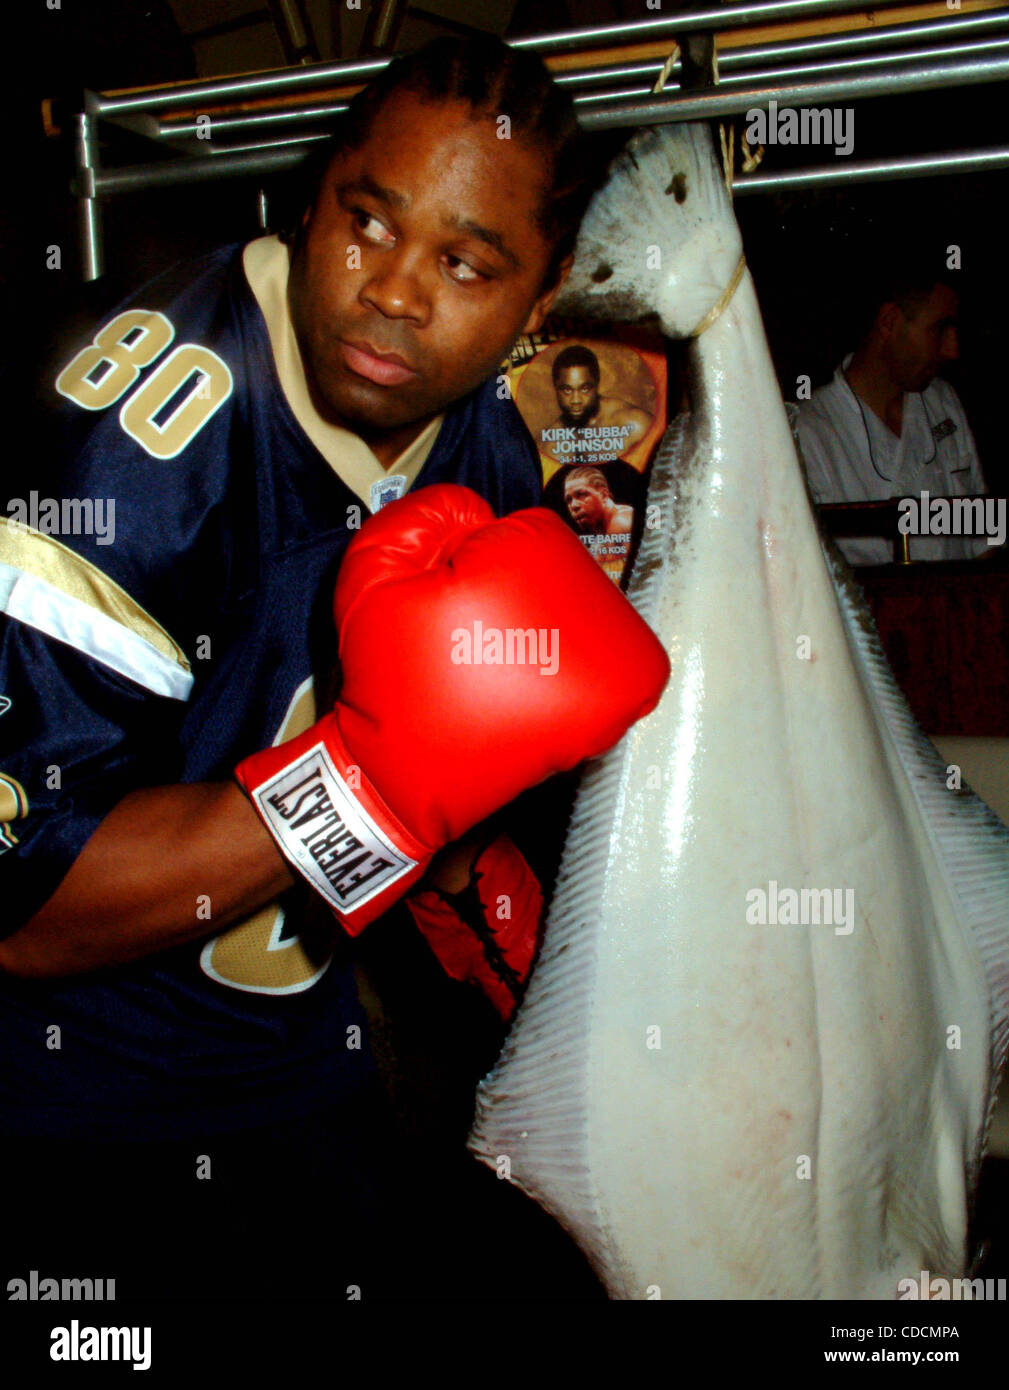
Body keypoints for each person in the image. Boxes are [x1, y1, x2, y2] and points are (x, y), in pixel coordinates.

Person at [0, 37, 660, 1302]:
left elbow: (448, 762)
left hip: (303, 1060)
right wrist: (362, 783)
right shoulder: (128, 465)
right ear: (311, 201)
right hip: (73, 1107)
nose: (396, 292)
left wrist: (481, 888)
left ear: (541, 300)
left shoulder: (478, 426)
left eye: (466, 265)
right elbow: (21, 910)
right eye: (368, 224)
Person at [794, 257, 988, 565]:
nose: (952, 350)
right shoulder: (810, 432)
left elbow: (985, 536)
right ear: (888, 322)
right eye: (940, 329)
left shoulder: (943, 401)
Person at [543, 343, 651, 467]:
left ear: (597, 383)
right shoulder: (549, 444)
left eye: (584, 389)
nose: (576, 400)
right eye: (567, 390)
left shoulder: (636, 424)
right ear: (555, 387)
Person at [564, 466, 633, 536]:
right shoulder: (603, 530)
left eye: (581, 495)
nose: (574, 505)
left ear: (603, 495)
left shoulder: (621, 523)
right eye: (569, 500)